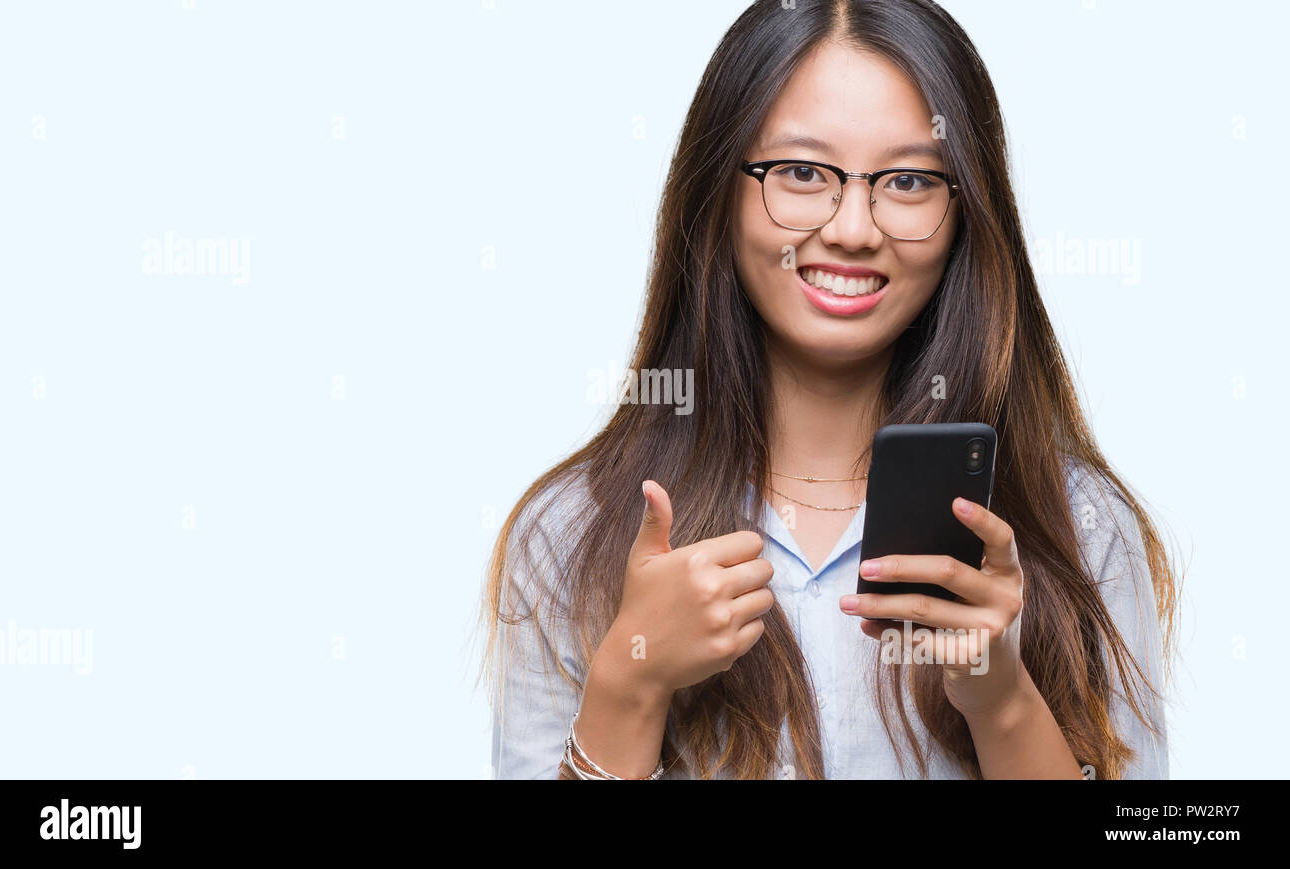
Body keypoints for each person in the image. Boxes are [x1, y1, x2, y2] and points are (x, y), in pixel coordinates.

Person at [480, 0, 1179, 780]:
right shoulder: (571, 532)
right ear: (721, 191)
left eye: (909, 180)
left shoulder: (1079, 529)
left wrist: (1003, 699)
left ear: (964, 215)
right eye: (803, 172)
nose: (853, 227)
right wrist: (629, 682)